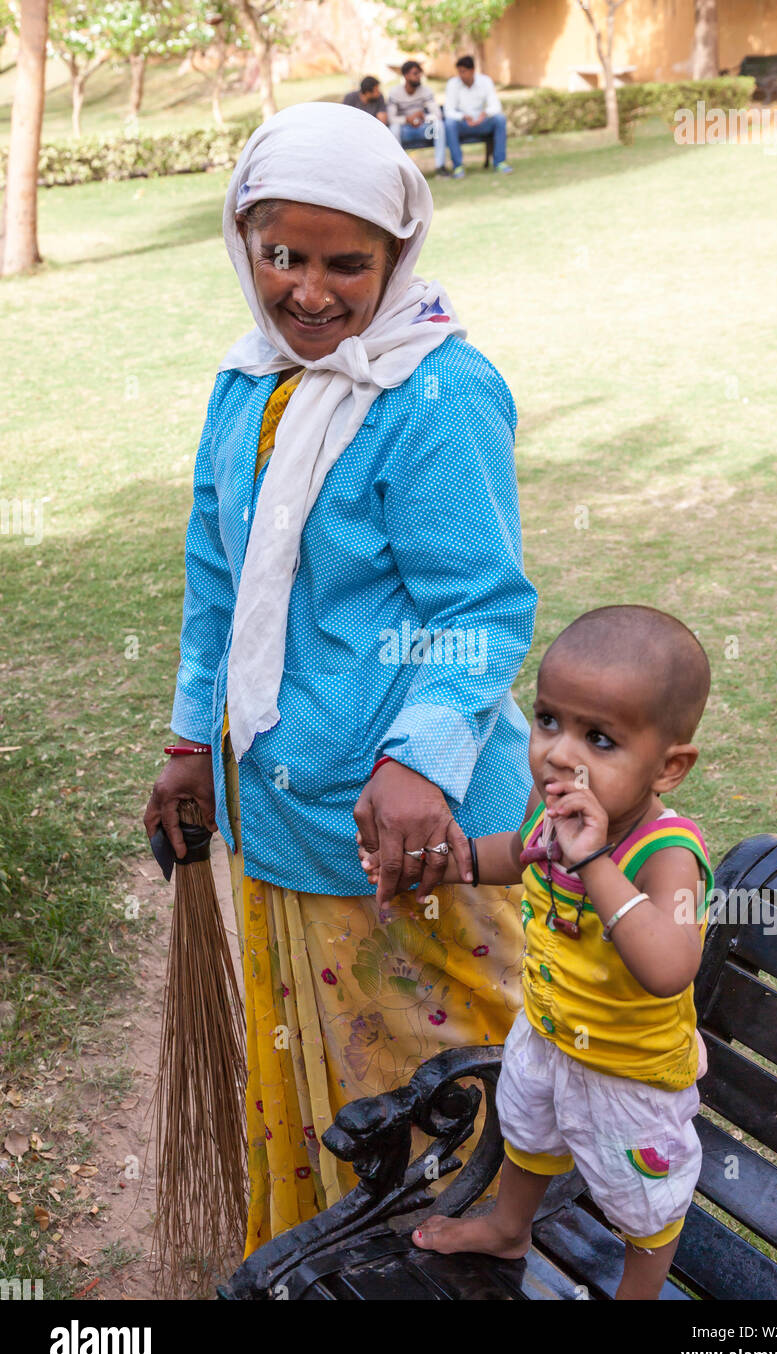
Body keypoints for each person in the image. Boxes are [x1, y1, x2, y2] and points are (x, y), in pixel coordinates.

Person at [143, 100, 537, 1258]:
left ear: (397, 254)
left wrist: (418, 758)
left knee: (452, 1091)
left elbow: (480, 608)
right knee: (331, 1101)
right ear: (244, 245)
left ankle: (485, 1257)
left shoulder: (434, 394)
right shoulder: (245, 386)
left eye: (344, 263)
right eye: (282, 256)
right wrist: (184, 741)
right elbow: (216, 578)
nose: (308, 292)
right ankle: (332, 1264)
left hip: (417, 839)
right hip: (282, 814)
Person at [359, 605, 713, 1299]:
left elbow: (670, 966)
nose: (560, 753)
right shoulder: (550, 803)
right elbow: (520, 856)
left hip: (628, 1075)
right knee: (527, 1134)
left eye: (601, 739)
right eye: (549, 721)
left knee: (647, 1203)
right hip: (547, 1033)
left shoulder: (668, 855)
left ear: (669, 767)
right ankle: (509, 1227)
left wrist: (595, 866)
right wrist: (453, 861)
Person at [444, 55, 512, 178]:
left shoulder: (485, 81)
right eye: (459, 72)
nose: (461, 75)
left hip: (482, 122)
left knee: (500, 119)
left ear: (472, 70)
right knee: (449, 123)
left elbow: (496, 106)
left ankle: (500, 162)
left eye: (464, 72)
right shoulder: (453, 84)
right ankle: (458, 167)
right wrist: (463, 117)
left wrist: (484, 114)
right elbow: (448, 111)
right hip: (463, 124)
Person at [387, 60, 449, 176]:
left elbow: (437, 114)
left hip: (423, 129)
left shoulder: (426, 90)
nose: (419, 76)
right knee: (394, 129)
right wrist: (407, 119)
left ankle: (440, 167)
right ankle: (399, 171)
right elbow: (391, 118)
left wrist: (423, 117)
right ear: (406, 75)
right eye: (415, 73)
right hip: (405, 130)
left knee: (438, 125)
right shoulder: (395, 92)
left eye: (420, 73)